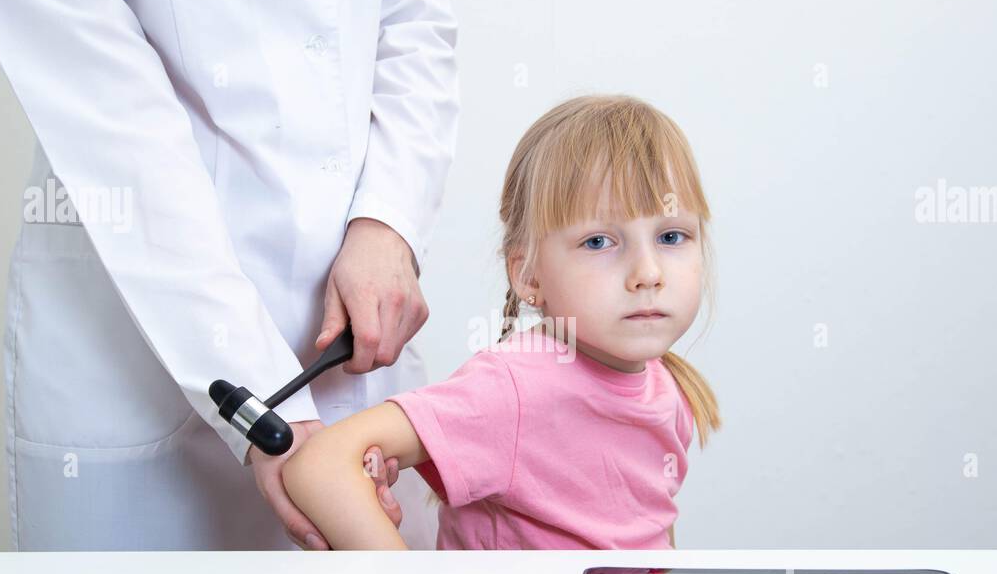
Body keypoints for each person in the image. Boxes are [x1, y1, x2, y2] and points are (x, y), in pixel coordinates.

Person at [0, 0, 460, 550]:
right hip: (142, 363)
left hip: (356, 348)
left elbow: (412, 20)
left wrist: (387, 221)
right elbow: (116, 128)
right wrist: (265, 411)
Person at [280, 95, 722, 550]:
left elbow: (647, 539)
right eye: (598, 242)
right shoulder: (516, 387)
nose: (647, 273)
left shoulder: (669, 388)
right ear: (529, 275)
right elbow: (320, 464)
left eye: (671, 236)